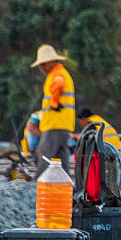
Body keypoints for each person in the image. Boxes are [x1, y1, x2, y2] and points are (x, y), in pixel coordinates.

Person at [31, 44, 75, 177]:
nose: (42, 67)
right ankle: (65, 184)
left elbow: (59, 84)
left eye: (44, 64)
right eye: (41, 65)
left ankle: (39, 183)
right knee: (61, 158)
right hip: (63, 124)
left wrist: (54, 102)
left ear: (51, 61)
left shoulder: (57, 74)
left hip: (54, 124)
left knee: (44, 154)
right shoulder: (62, 73)